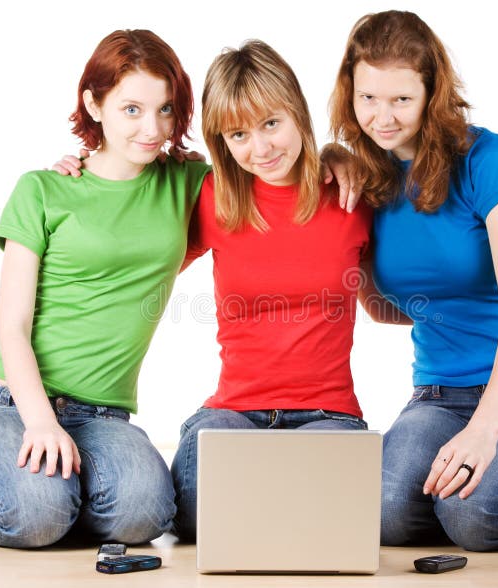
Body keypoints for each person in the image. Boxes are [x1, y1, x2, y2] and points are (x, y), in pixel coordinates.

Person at [330, 10, 498, 551]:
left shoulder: (486, 157)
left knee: (474, 514)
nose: (382, 117)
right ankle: (480, 494)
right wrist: (342, 225)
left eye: (402, 100)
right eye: (368, 99)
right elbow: (386, 309)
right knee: (382, 516)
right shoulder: (366, 176)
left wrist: (483, 430)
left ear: (432, 93)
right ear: (350, 93)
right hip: (437, 395)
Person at [0, 29, 211, 548]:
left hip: (103, 415)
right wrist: (41, 422)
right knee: (37, 516)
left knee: (145, 517)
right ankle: (11, 504)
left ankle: (62, 499)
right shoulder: (43, 188)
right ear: (94, 104)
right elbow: (12, 325)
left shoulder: (186, 182)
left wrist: (336, 157)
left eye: (165, 110)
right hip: (15, 403)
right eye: (132, 109)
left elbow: (269, 173)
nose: (152, 127)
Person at [168, 40, 374, 542]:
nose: (260, 149)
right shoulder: (212, 197)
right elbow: (129, 218)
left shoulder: (351, 193)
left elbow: (409, 277)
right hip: (233, 413)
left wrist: (492, 293)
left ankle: (271, 524)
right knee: (195, 511)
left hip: (328, 414)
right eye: (238, 133)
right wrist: (79, 167)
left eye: (271, 124)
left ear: (297, 113)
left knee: (354, 514)